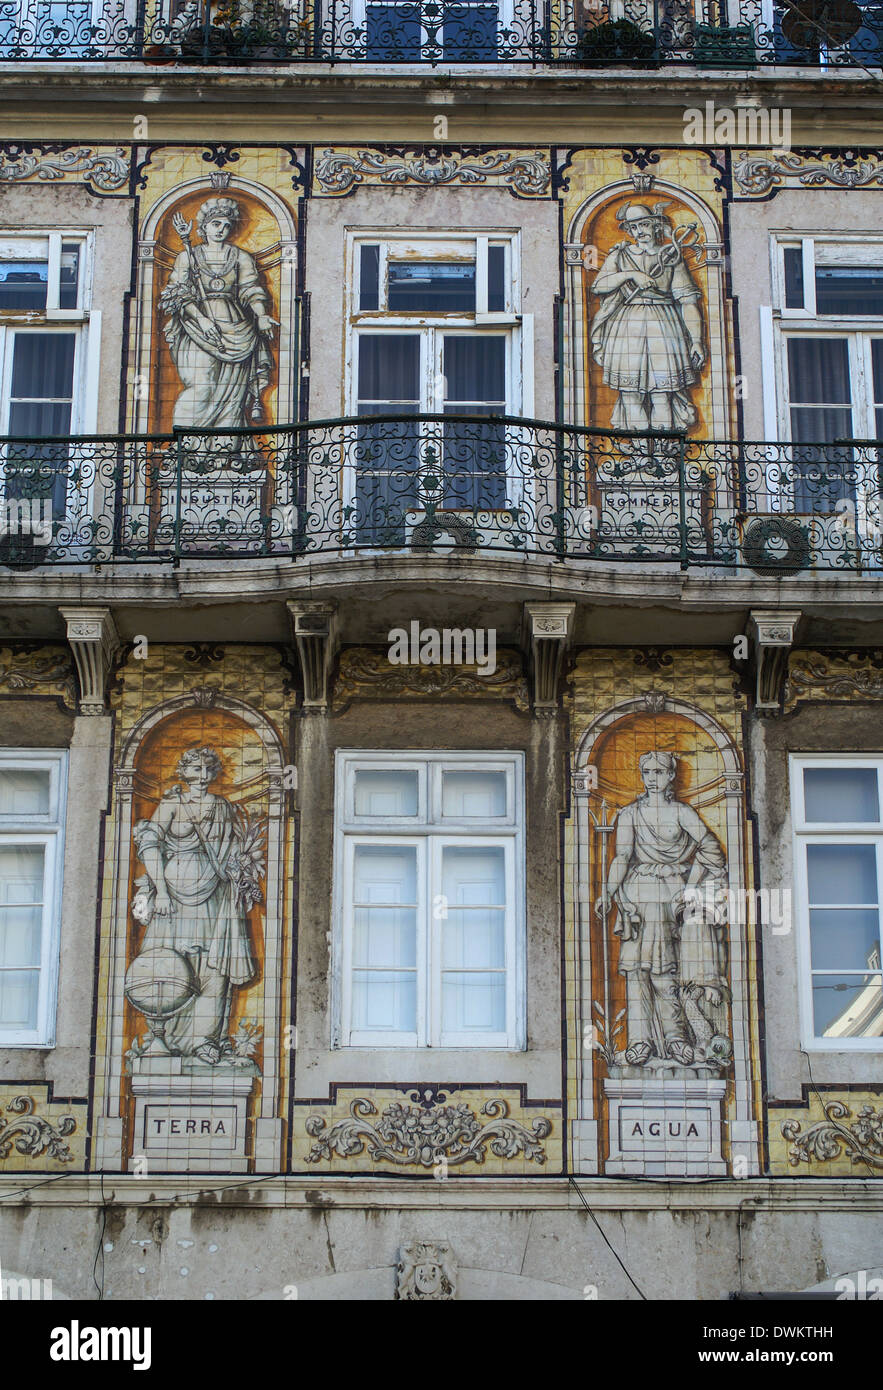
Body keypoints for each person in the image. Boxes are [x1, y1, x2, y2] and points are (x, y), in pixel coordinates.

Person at [595, 749, 727, 1066]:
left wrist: (691, 886)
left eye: (659, 772)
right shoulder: (628, 815)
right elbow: (622, 858)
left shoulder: (682, 813)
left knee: (666, 970)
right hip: (638, 893)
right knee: (637, 970)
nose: (652, 779)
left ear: (670, 776)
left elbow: (710, 848)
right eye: (647, 772)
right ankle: (640, 1041)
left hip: (671, 894)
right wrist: (608, 892)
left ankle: (676, 1039)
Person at [132, 746, 261, 1065]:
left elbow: (231, 850)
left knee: (214, 967)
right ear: (184, 771)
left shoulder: (222, 806)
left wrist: (240, 872)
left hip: (215, 894)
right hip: (173, 897)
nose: (203, 776)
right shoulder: (172, 803)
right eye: (196, 769)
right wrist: (160, 891)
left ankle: (207, 1041)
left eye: (208, 770)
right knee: (172, 963)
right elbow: (149, 844)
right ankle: (164, 1037)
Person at [159, 196, 278, 436]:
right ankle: (187, 448)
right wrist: (202, 320)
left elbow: (251, 289)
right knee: (201, 386)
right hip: (196, 328)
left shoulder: (241, 257)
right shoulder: (188, 256)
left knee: (233, 394)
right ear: (203, 227)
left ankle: (226, 452)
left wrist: (262, 316)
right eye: (216, 224)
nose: (221, 230)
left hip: (237, 329)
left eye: (226, 225)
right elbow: (176, 294)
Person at [590, 201, 705, 433]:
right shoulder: (620, 255)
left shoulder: (671, 256)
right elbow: (599, 286)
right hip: (627, 326)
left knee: (662, 394)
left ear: (655, 226)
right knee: (630, 394)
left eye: (644, 224)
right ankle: (640, 456)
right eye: (633, 227)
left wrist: (697, 341)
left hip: (664, 324)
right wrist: (631, 275)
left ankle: (663, 460)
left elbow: (688, 301)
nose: (639, 231)